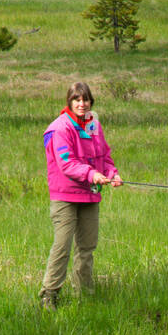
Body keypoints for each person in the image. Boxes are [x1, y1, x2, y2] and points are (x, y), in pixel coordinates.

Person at [40, 81, 122, 308]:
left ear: (91, 102)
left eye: (85, 99)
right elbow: (67, 164)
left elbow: (103, 155)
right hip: (65, 196)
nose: (82, 104)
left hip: (89, 195)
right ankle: (49, 294)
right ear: (69, 102)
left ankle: (85, 295)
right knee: (62, 246)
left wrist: (112, 174)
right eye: (77, 100)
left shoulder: (93, 123)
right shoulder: (59, 128)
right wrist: (92, 174)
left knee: (87, 247)